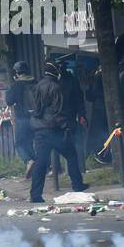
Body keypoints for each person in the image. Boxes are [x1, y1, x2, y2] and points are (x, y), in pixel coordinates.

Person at [29, 59, 87, 202]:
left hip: (39, 130)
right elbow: (58, 111)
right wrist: (65, 127)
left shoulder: (37, 87)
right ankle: (77, 185)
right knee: (72, 155)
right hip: (55, 130)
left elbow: (35, 109)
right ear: (55, 72)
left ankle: (35, 195)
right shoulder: (56, 87)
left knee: (41, 162)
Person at [5, 61, 37, 176]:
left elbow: (9, 101)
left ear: (17, 73)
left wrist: (12, 84)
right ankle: (38, 167)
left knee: (19, 144)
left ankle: (28, 161)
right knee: (32, 143)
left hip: (22, 119)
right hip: (36, 118)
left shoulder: (15, 86)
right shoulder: (36, 83)